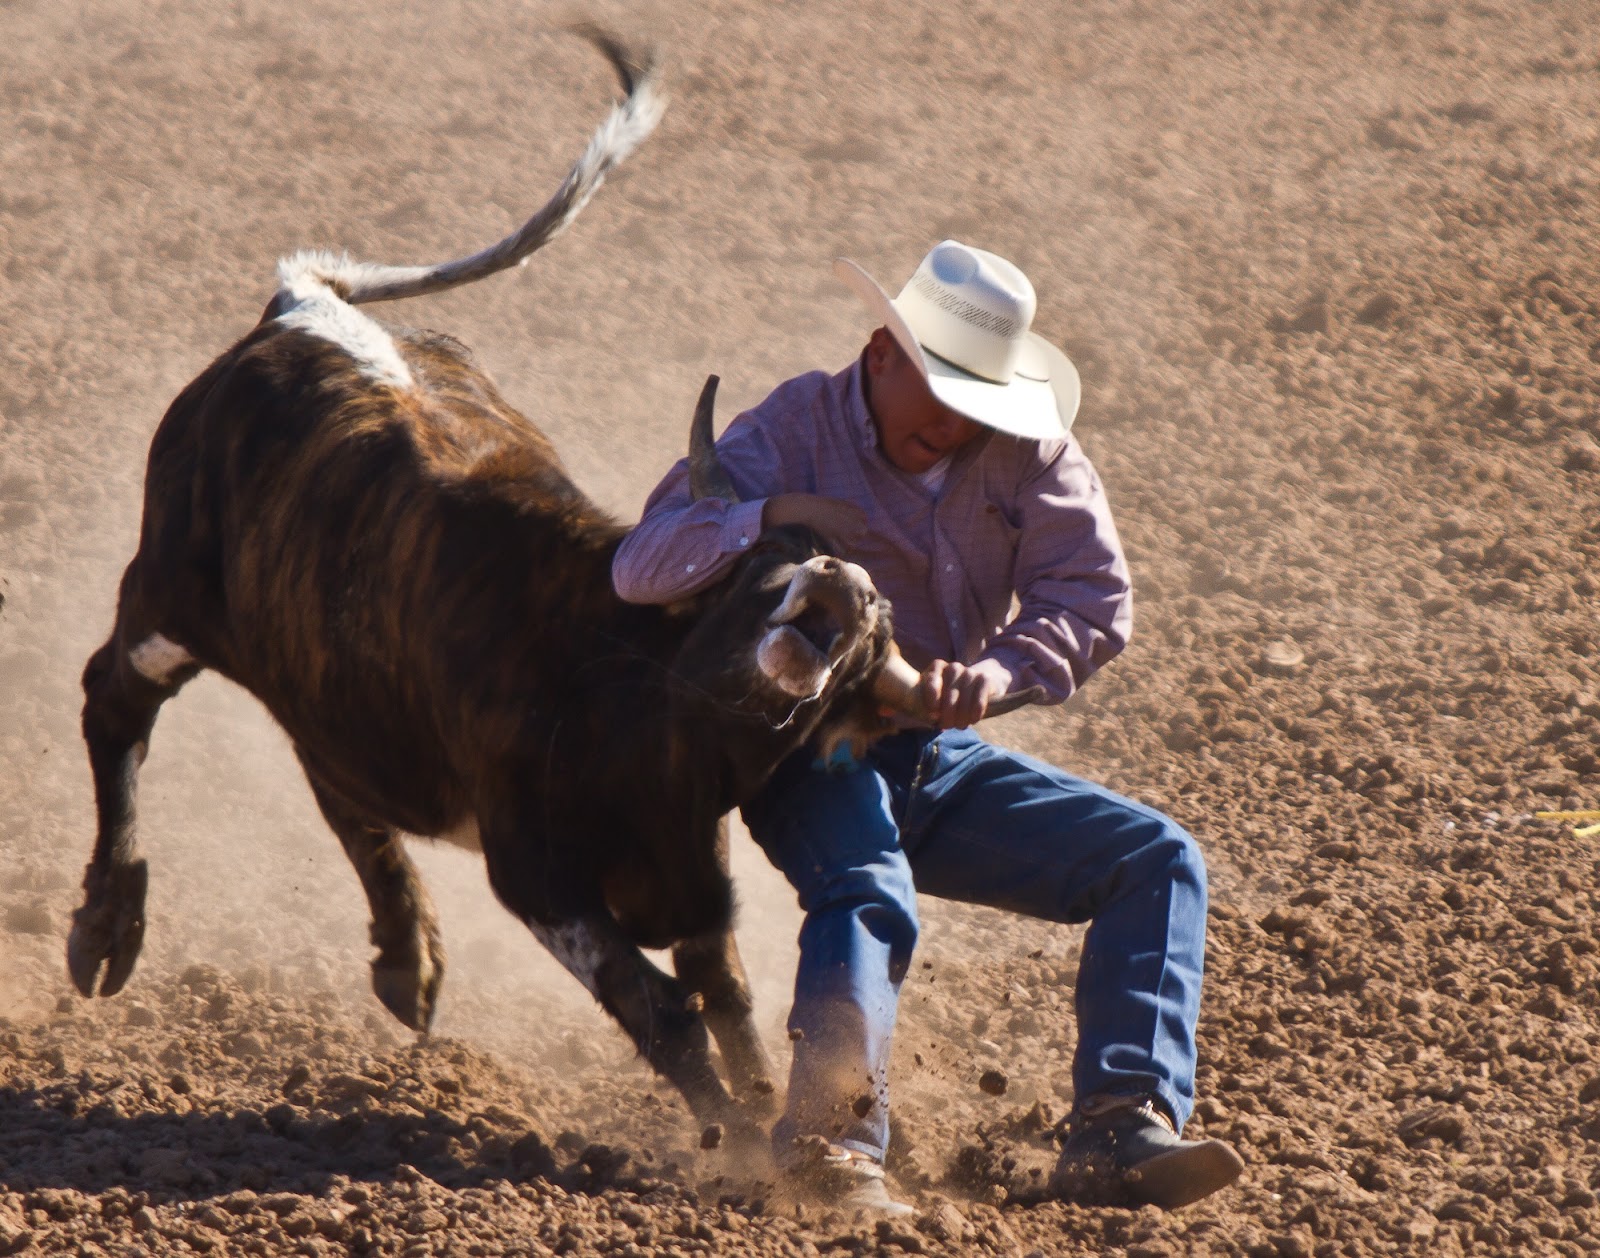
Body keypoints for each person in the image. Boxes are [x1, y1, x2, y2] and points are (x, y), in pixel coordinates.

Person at [612, 241, 1243, 1216]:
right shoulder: (790, 430)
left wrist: (990, 677)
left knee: (1155, 859)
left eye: (979, 396)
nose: (955, 419)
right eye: (938, 386)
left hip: (935, 748)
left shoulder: (1026, 448)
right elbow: (641, 564)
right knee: (867, 880)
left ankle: (1121, 1126)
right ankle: (828, 1150)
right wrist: (770, 512)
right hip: (803, 744)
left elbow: (1092, 599)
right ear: (879, 354)